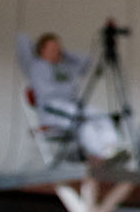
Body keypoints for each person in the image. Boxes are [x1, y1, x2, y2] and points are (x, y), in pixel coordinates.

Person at [15, 30, 124, 162]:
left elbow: (87, 62)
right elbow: (22, 39)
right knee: (82, 123)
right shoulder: (35, 66)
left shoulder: (65, 67)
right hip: (52, 111)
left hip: (71, 106)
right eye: (52, 48)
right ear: (41, 50)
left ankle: (112, 149)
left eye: (58, 48)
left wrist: (65, 54)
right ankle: (102, 154)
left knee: (101, 116)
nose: (56, 51)